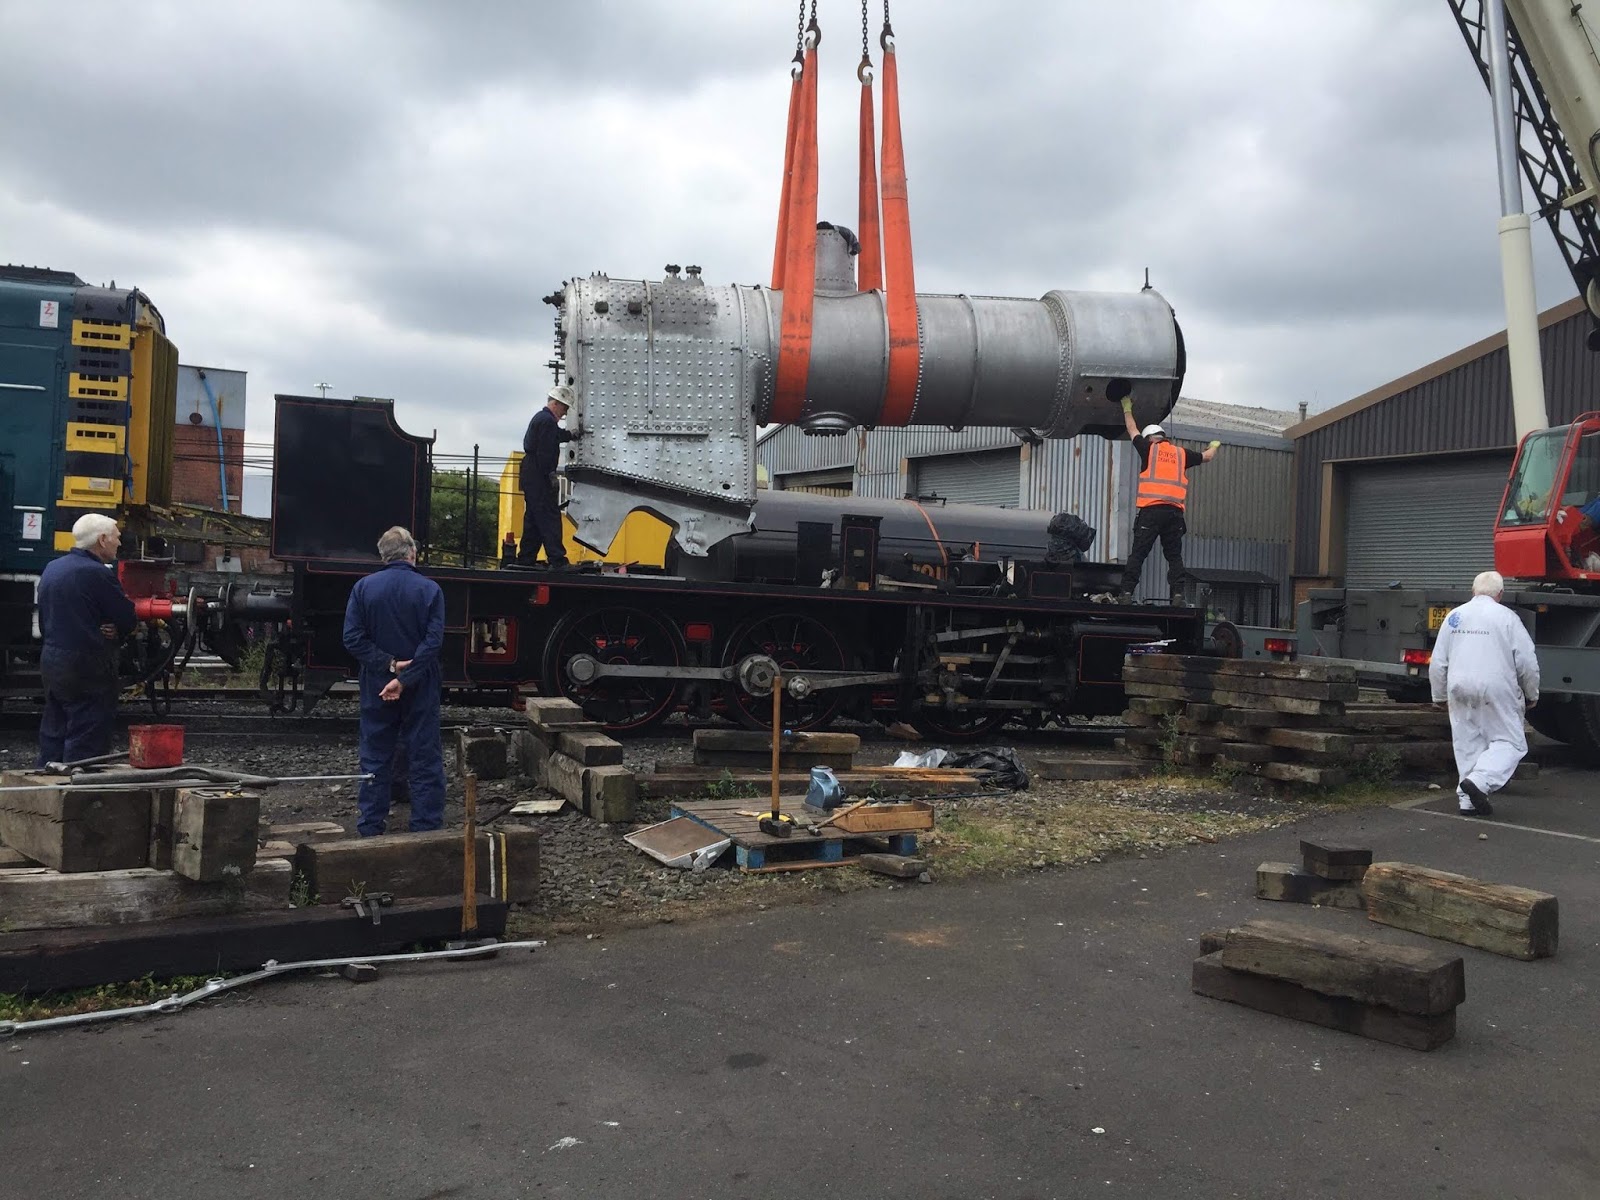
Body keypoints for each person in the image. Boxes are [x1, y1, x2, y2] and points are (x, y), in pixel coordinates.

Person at [342, 526, 447, 836]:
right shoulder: (430, 591)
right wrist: (406, 678)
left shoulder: (363, 589)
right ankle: (425, 827)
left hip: (376, 682)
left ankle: (370, 827)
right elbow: (433, 642)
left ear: (383, 556)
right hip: (420, 684)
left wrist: (388, 666)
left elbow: (352, 638)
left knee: (375, 755)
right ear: (411, 552)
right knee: (424, 754)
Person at [1428, 570, 1539, 818]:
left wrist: (1438, 695)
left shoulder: (1454, 616)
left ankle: (1467, 801)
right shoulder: (1507, 618)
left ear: (1473, 591)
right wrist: (1532, 692)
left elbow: (1438, 661)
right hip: (1496, 688)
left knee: (1468, 743)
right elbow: (1526, 661)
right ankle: (1480, 781)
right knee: (1511, 743)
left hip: (1458, 686)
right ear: (1500, 594)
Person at [35, 514, 137, 768]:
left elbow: (46, 617)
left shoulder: (52, 568)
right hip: (87, 663)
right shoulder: (96, 574)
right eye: (116, 537)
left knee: (54, 728)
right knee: (87, 733)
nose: (118, 543)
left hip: (52, 660)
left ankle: (45, 785)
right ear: (102, 540)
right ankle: (79, 791)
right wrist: (117, 629)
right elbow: (126, 616)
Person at [1113, 381, 1219, 603]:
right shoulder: (1182, 454)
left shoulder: (1147, 449)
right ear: (1163, 436)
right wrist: (1214, 445)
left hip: (1151, 513)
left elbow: (1132, 429)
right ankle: (1178, 594)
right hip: (1174, 515)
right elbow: (1207, 457)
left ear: (1151, 438)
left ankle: (1126, 593)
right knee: (1174, 557)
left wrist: (1126, 407)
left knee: (1138, 554)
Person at [515, 384, 582, 568]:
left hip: (531, 473)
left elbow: (555, 436)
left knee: (535, 517)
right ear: (555, 404)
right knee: (549, 515)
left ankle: (526, 559)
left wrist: (570, 435)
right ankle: (557, 560)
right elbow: (545, 451)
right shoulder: (546, 422)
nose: (565, 412)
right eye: (564, 407)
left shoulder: (542, 419)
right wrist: (551, 474)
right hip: (539, 474)